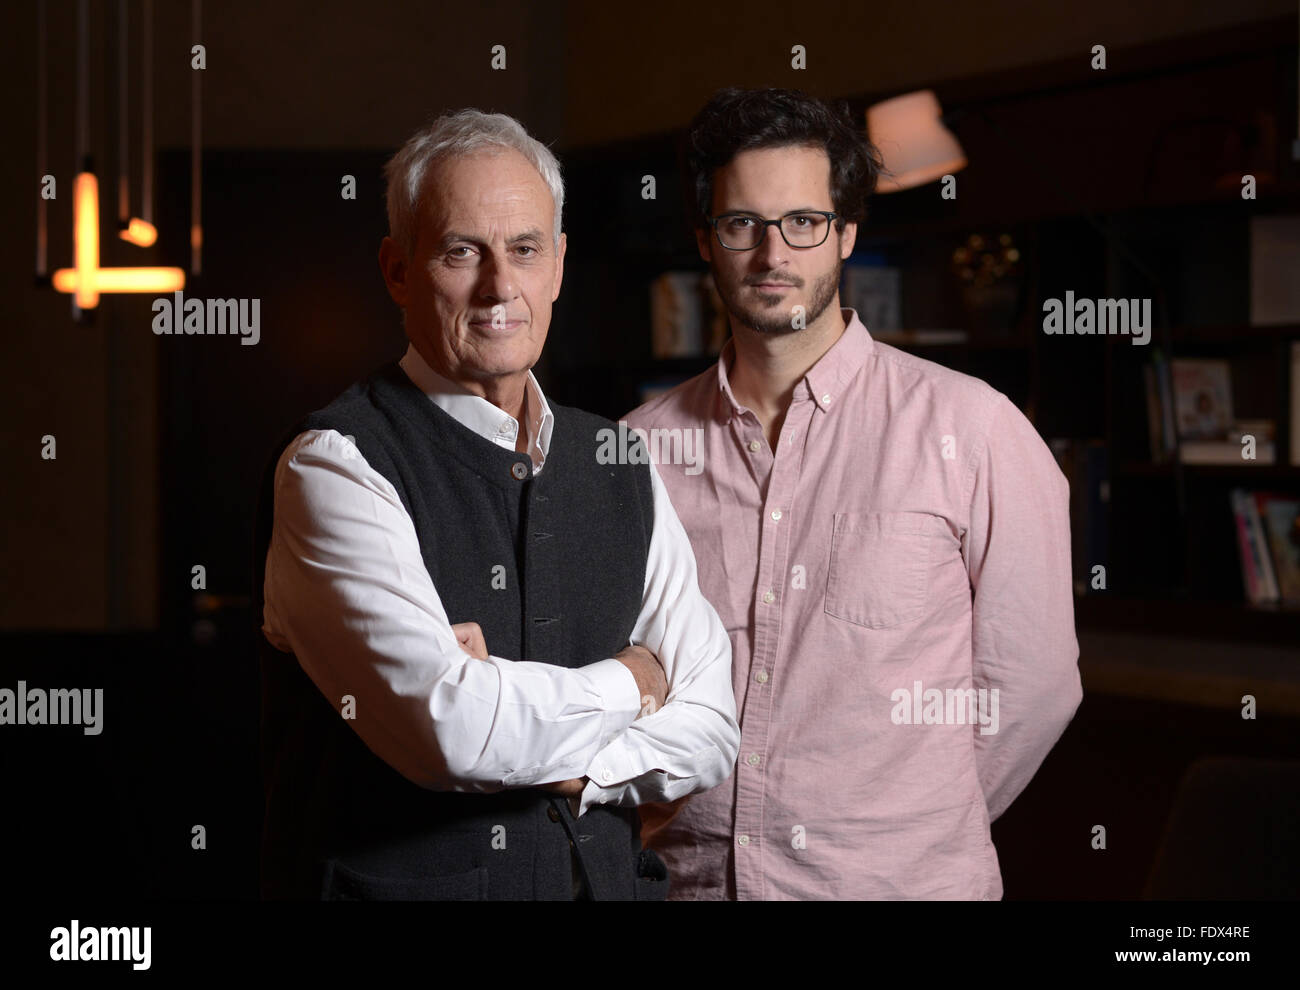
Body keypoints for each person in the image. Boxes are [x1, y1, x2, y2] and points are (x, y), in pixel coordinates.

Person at [253, 109, 739, 901]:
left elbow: (713, 732)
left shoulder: (620, 459)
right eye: (460, 251)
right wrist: (636, 681)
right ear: (398, 271)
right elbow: (453, 731)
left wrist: (583, 771)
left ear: (558, 266)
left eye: (524, 250)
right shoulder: (334, 467)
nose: (498, 287)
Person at [626, 87, 1082, 899]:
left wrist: (910, 827)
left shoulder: (973, 428)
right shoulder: (635, 452)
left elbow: (1034, 684)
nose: (774, 256)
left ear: (845, 234)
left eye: (803, 222)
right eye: (743, 226)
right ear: (706, 239)